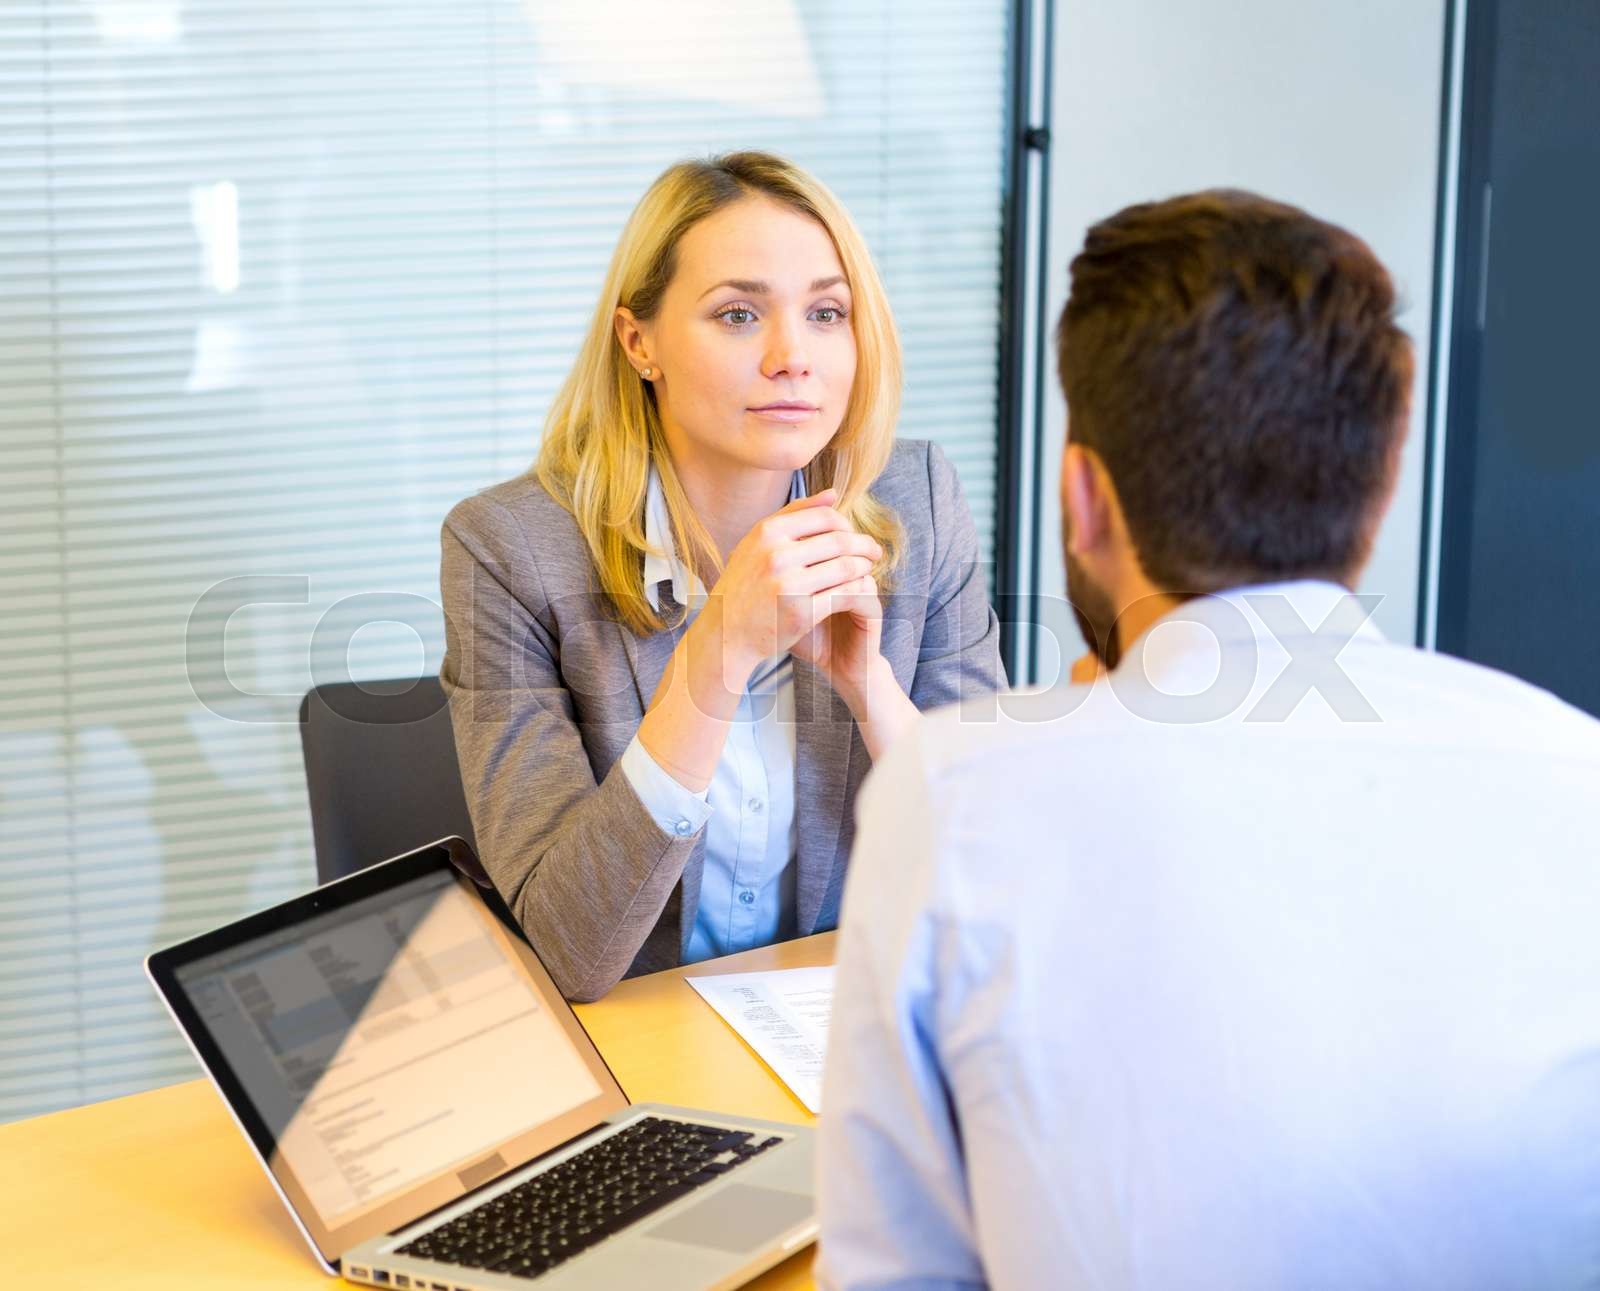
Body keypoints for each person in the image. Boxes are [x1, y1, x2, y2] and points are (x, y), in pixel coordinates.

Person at [817, 190, 1600, 1289]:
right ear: (1378, 487)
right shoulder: (1576, 773)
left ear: (1082, 499)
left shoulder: (957, 796)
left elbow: (895, 1271)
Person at [439, 151, 1003, 1003]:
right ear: (640, 342)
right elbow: (568, 951)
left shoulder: (917, 505)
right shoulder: (510, 548)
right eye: (738, 314)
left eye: (826, 312)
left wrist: (872, 689)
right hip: (640, 1061)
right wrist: (714, 660)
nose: (792, 356)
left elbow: (1001, 883)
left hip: (844, 1041)